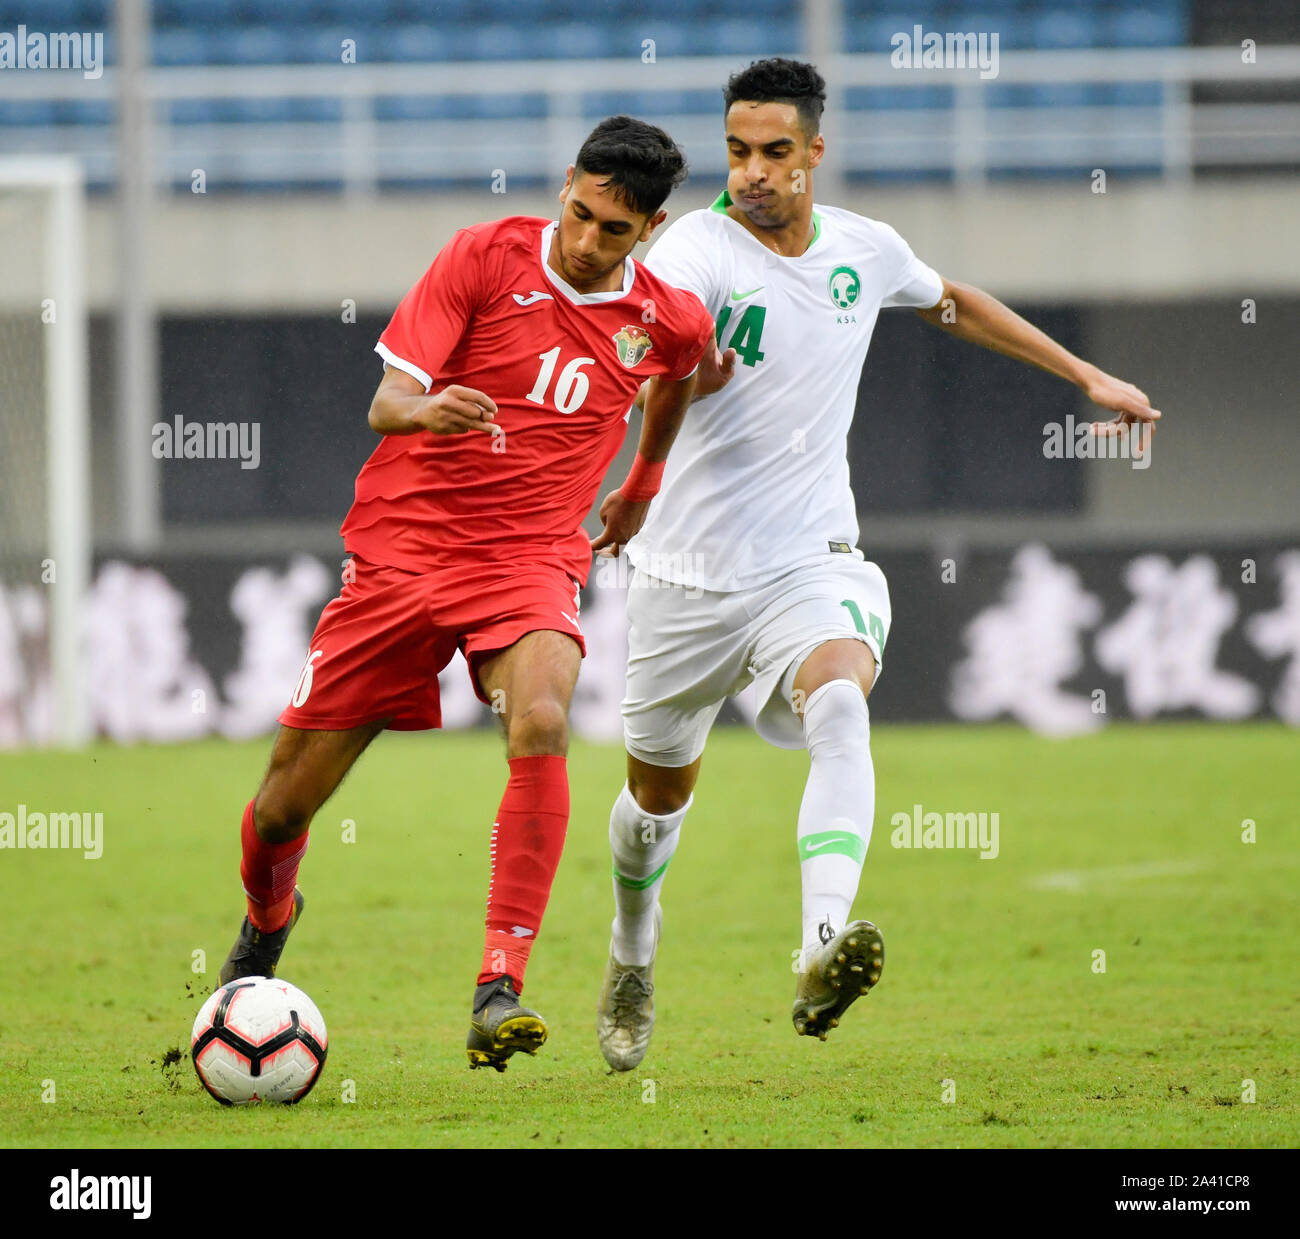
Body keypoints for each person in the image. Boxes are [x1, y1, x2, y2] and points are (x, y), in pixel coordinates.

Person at [596, 59, 1160, 1069]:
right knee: (652, 809)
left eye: (774, 153)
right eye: (735, 153)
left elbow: (951, 301)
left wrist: (1085, 374)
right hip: (682, 577)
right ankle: (632, 955)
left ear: (816, 151)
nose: (752, 173)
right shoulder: (694, 250)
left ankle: (819, 947)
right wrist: (673, 380)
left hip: (809, 561)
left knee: (842, 698)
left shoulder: (864, 248)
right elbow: (648, 351)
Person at [217, 115, 715, 1073]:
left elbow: (679, 375)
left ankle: (499, 986)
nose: (585, 240)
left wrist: (643, 483)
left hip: (529, 558)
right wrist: (429, 409)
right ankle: (267, 921)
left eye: (613, 230)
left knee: (542, 717)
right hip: (404, 552)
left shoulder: (667, 318)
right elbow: (385, 402)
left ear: (647, 232)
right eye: (579, 213)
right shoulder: (484, 259)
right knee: (282, 809)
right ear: (565, 183)